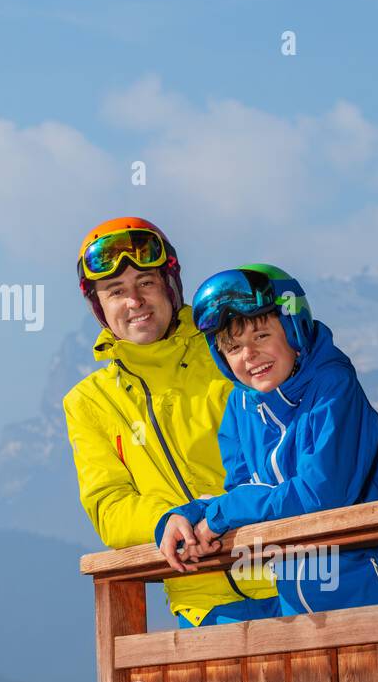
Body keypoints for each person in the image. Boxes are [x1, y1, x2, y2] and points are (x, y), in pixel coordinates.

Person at [153, 264, 378, 615]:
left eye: (261, 337)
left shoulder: (333, 387)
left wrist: (220, 513)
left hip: (372, 594)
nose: (249, 355)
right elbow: (242, 495)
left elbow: (320, 496)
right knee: (213, 632)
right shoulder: (240, 405)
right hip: (300, 602)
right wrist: (184, 517)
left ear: (294, 328)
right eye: (233, 348)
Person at [62, 219, 279, 627]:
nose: (134, 301)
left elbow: (285, 447)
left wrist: (215, 514)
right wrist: (168, 519)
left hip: (295, 576)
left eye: (145, 282)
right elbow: (109, 506)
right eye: (116, 292)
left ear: (170, 284)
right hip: (206, 605)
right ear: (99, 306)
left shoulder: (228, 351)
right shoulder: (89, 403)